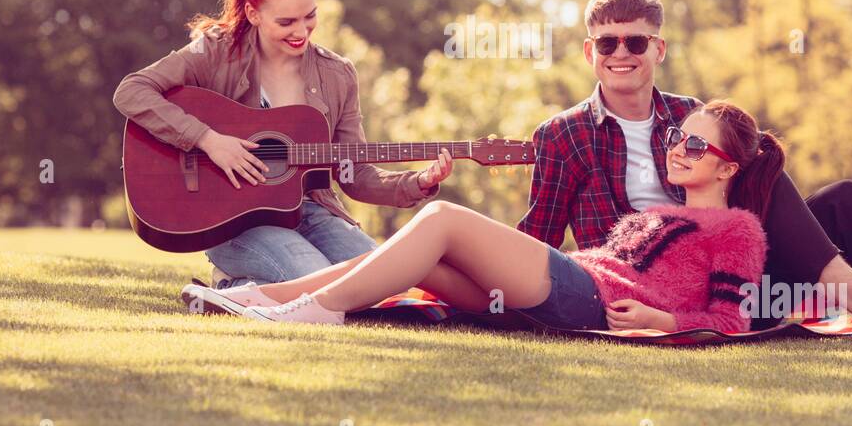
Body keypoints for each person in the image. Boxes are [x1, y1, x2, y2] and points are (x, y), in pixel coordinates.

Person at [514, 0, 852, 348]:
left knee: (828, 190)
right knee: (761, 163)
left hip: (735, 282)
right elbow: (535, 242)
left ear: (659, 48)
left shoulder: (687, 114)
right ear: (589, 51)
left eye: (636, 41)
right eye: (608, 42)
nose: (621, 52)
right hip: (654, 292)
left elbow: (747, 198)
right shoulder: (562, 135)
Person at [181, 101, 773, 332]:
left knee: (441, 218)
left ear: (728, 169)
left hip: (587, 300)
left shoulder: (739, 230)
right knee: (418, 255)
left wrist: (660, 320)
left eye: (696, 146)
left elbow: (730, 320)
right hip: (570, 280)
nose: (676, 148)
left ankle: (309, 313)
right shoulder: (663, 211)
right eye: (677, 136)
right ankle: (264, 298)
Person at [112, 0, 452, 291]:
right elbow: (132, 91)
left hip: (312, 211)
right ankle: (232, 287)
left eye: (310, 17)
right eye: (286, 21)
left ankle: (251, 289)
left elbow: (354, 174)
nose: (302, 32)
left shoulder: (337, 74)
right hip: (233, 220)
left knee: (383, 284)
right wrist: (208, 140)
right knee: (319, 284)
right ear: (253, 13)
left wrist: (417, 182)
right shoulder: (215, 50)